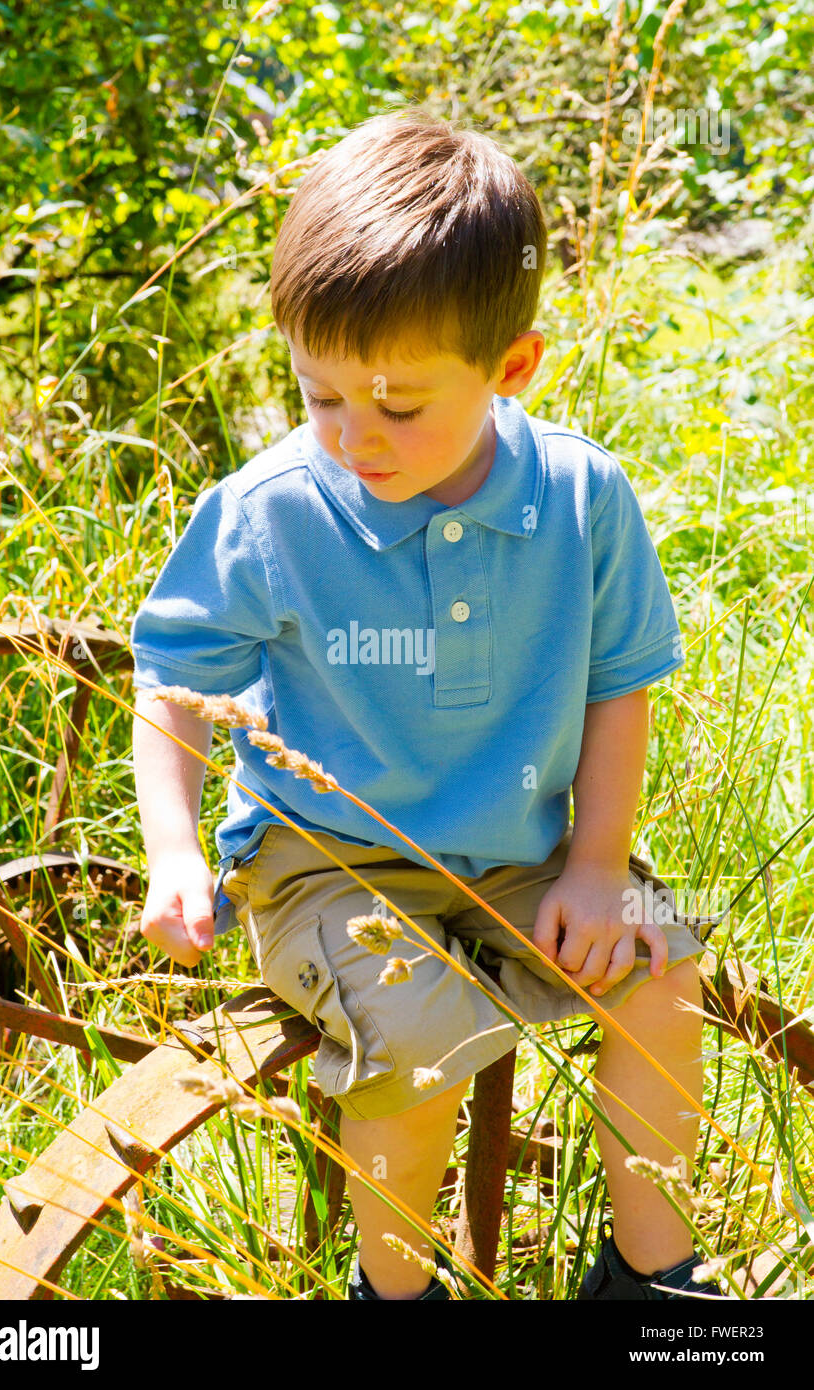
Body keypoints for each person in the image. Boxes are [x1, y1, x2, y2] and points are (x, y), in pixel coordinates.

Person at [130, 106, 719, 1302]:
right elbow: (174, 684)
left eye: (397, 406)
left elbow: (618, 684)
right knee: (424, 1031)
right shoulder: (271, 511)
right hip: (323, 862)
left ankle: (656, 1285)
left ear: (511, 369)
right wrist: (175, 851)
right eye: (319, 394)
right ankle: (397, 1295)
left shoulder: (580, 496)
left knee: (664, 972)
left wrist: (597, 866)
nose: (353, 437)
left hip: (519, 853)